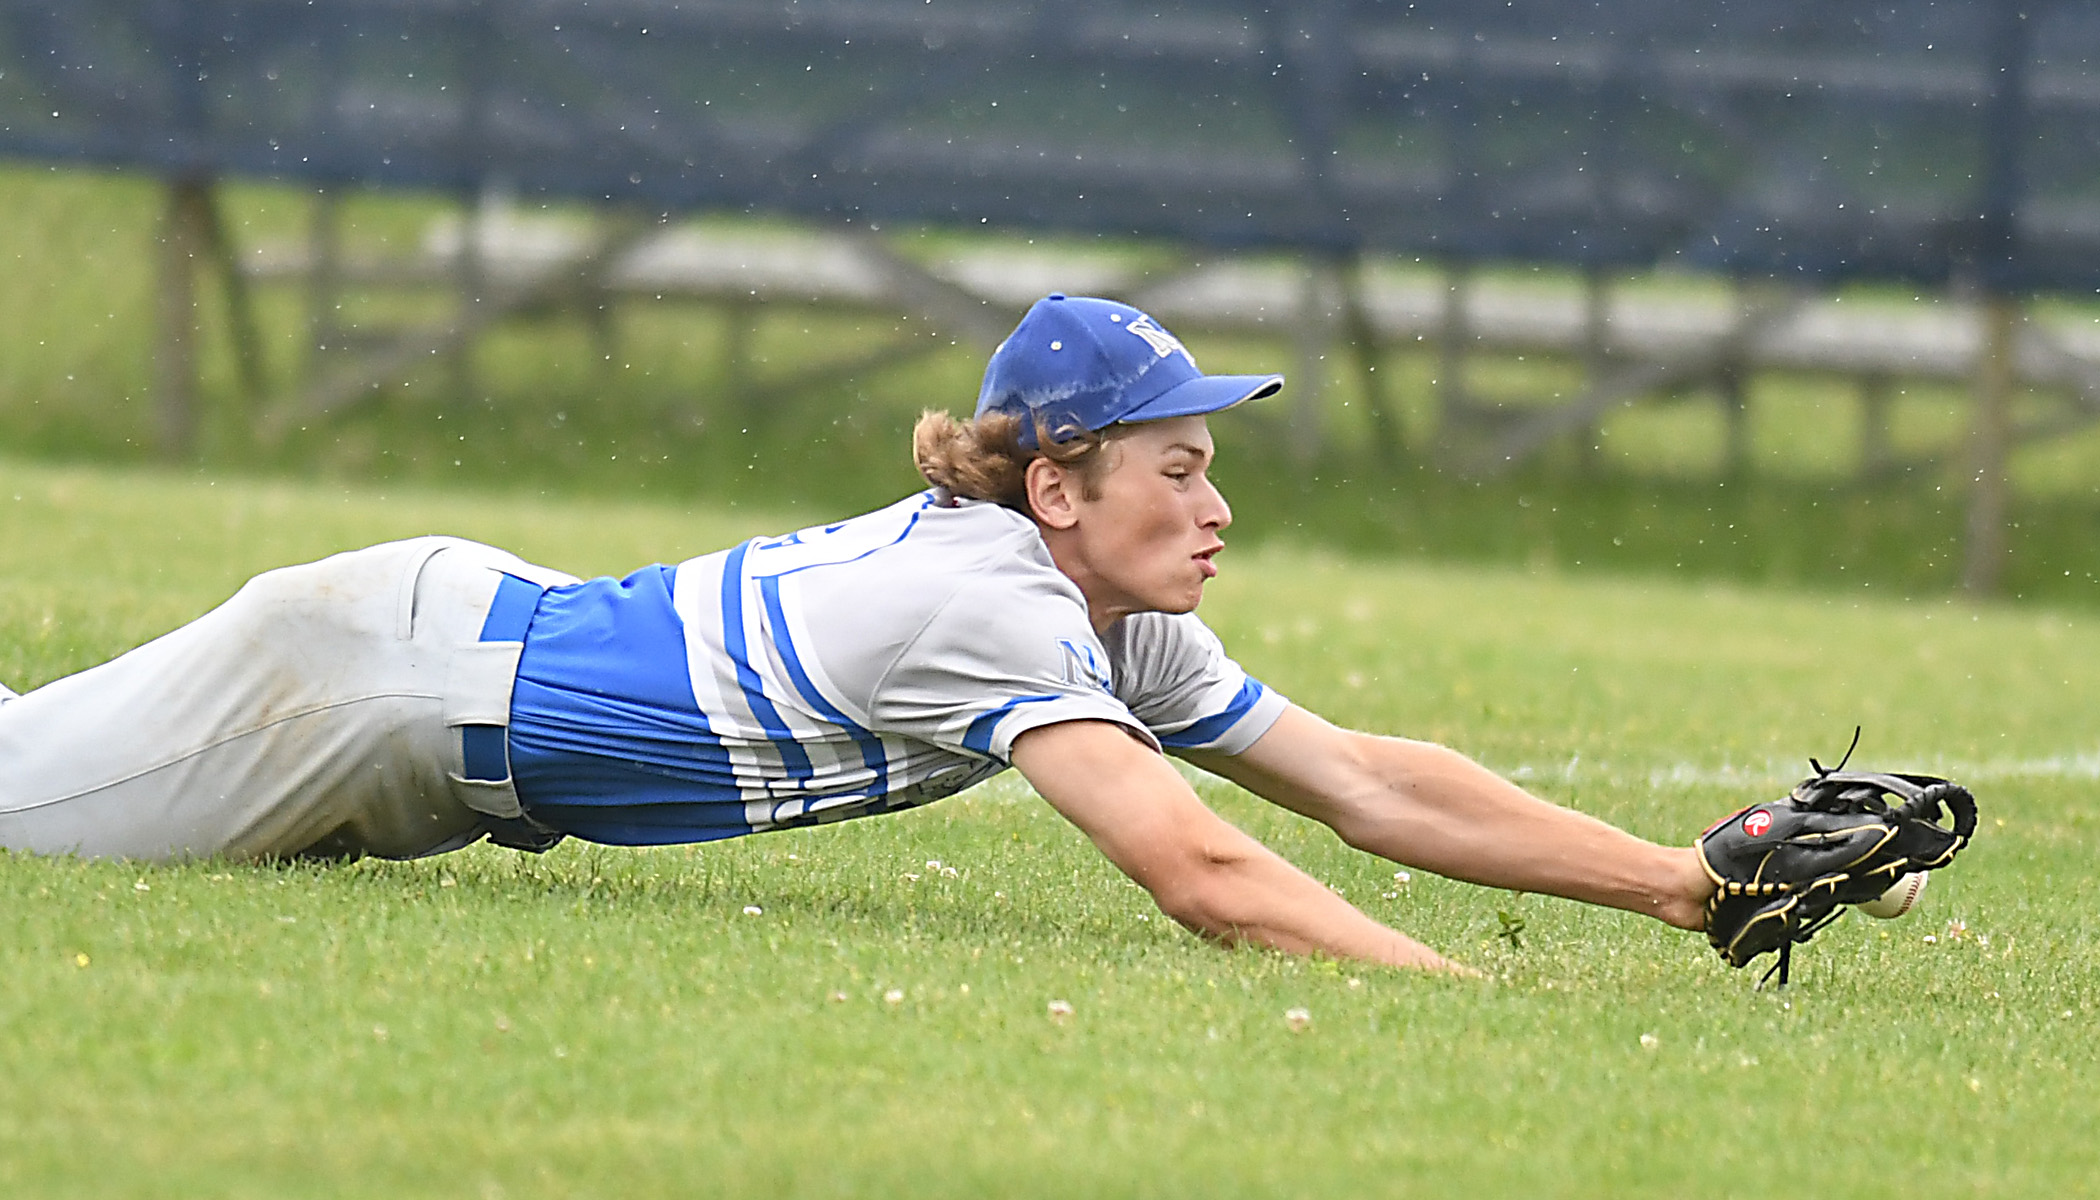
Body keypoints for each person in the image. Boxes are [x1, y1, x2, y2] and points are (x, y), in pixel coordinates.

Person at [0, 294, 1714, 971]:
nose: (1217, 509)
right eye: (1177, 469)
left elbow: (1358, 787)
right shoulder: (992, 609)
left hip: (430, 683)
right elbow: (1210, 877)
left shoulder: (1096, 615)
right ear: (1057, 486)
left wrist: (1689, 884)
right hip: (369, 690)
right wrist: (1444, 998)